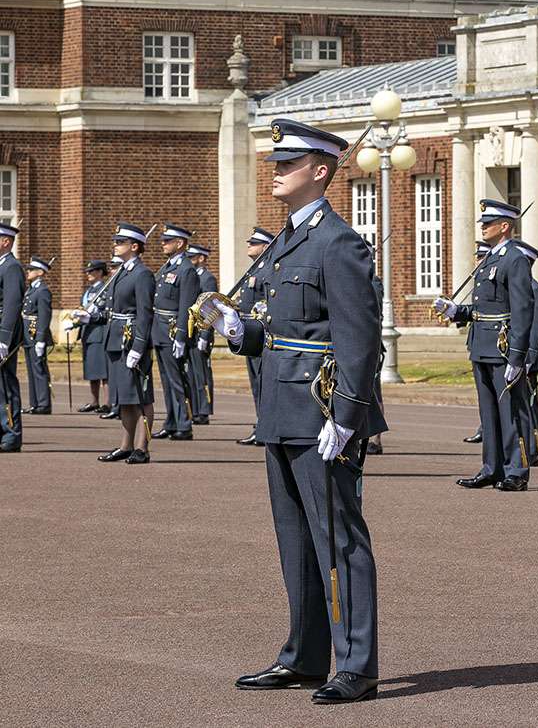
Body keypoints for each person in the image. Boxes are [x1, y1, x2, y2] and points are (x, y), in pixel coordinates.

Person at [200, 118, 386, 704]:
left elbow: (360, 339)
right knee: (295, 539)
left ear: (321, 171)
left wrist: (349, 416)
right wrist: (241, 329)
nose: (276, 172)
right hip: (281, 406)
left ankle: (356, 665)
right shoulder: (286, 239)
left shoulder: (339, 242)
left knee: (338, 539)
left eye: (288, 164)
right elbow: (287, 329)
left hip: (322, 409)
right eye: (277, 163)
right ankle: (305, 655)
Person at [434, 199, 534, 491]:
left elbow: (522, 309)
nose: (484, 227)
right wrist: (455, 311)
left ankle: (516, 470)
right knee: (488, 412)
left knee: (511, 412)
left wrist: (517, 357)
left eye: (488, 223)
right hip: (481, 344)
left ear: (504, 227)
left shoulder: (514, 259)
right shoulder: (491, 258)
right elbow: (483, 308)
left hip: (503, 348)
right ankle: (493, 467)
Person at [73, 223, 154, 464]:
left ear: (134, 246)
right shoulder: (121, 273)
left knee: (141, 398)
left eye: (120, 242)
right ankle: (126, 445)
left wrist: (139, 347)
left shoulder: (142, 274)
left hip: (131, 341)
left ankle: (142, 448)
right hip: (115, 339)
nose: (115, 245)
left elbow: (144, 313)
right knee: (124, 397)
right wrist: (91, 317)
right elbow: (112, 310)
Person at [150, 225, 200, 441]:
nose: (163, 243)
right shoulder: (167, 268)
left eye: (167, 240)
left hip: (172, 331)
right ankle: (171, 421)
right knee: (166, 379)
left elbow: (186, 305)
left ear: (180, 243)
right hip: (159, 330)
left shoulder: (186, 269)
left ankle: (184, 423)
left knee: (178, 379)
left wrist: (181, 335)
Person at [236, 227, 274, 446]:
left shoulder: (267, 270)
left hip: (260, 333)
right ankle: (261, 424)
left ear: (266, 247)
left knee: (263, 383)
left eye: (254, 243)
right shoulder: (254, 270)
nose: (249, 245)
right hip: (249, 334)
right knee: (256, 383)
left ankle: (265, 426)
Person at [514, 240, 538, 465]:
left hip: (529, 358)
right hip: (519, 356)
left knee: (529, 404)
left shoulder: (534, 289)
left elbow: (536, 327)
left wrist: (530, 357)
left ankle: (533, 449)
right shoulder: (522, 288)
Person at [462, 241, 491, 444]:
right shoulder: (481, 282)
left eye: (481, 257)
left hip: (495, 344)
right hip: (479, 342)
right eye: (478, 257)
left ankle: (531, 445)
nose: (478, 261)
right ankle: (485, 427)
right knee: (484, 395)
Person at [0, 222, 25, 452]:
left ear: (5, 242)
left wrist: (4, 339)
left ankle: (11, 434)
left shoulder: (11, 267)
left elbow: (11, 304)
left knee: (6, 386)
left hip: (3, 333)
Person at [185, 243, 216, 427]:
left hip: (201, 331)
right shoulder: (192, 277)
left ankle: (203, 411)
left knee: (202, 374)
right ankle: (195, 409)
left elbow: (211, 309)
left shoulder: (207, 279)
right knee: (192, 374)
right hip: (191, 330)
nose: (189, 260)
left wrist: (205, 334)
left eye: (193, 257)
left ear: (202, 258)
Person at [22, 257, 53, 415]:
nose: (28, 271)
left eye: (31, 269)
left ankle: (43, 404)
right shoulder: (31, 289)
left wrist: (41, 339)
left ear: (40, 272)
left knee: (39, 369)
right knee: (31, 369)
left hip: (36, 335)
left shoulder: (42, 291)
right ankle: (35, 403)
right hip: (28, 335)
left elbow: (44, 316)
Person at [77, 260, 110, 414]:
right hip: (87, 332)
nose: (88, 274)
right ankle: (94, 401)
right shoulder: (88, 291)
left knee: (102, 370)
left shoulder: (104, 290)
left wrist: (91, 316)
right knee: (91, 369)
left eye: (91, 271)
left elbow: (104, 312)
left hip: (98, 332)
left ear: (100, 272)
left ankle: (108, 402)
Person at [365, 241, 385, 456]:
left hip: (370, 345)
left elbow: (373, 315)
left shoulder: (373, 283)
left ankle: (375, 438)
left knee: (373, 392)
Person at [99, 255, 124, 420]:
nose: (112, 270)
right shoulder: (111, 286)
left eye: (116, 267)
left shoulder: (124, 283)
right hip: (110, 331)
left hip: (122, 332)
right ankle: (115, 405)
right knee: (112, 373)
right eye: (112, 267)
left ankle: (121, 406)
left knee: (121, 374)